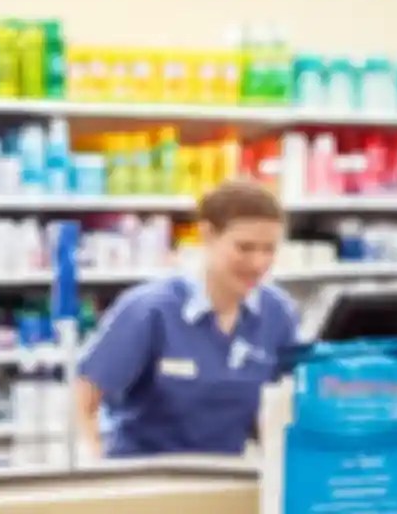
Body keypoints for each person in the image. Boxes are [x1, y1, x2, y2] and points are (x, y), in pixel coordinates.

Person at [75, 178, 299, 458]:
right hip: (147, 475)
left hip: (229, 474)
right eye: (245, 248)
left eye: (269, 250)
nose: (258, 263)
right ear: (208, 235)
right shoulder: (151, 310)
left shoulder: (277, 314)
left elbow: (287, 404)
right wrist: (94, 461)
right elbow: (84, 395)